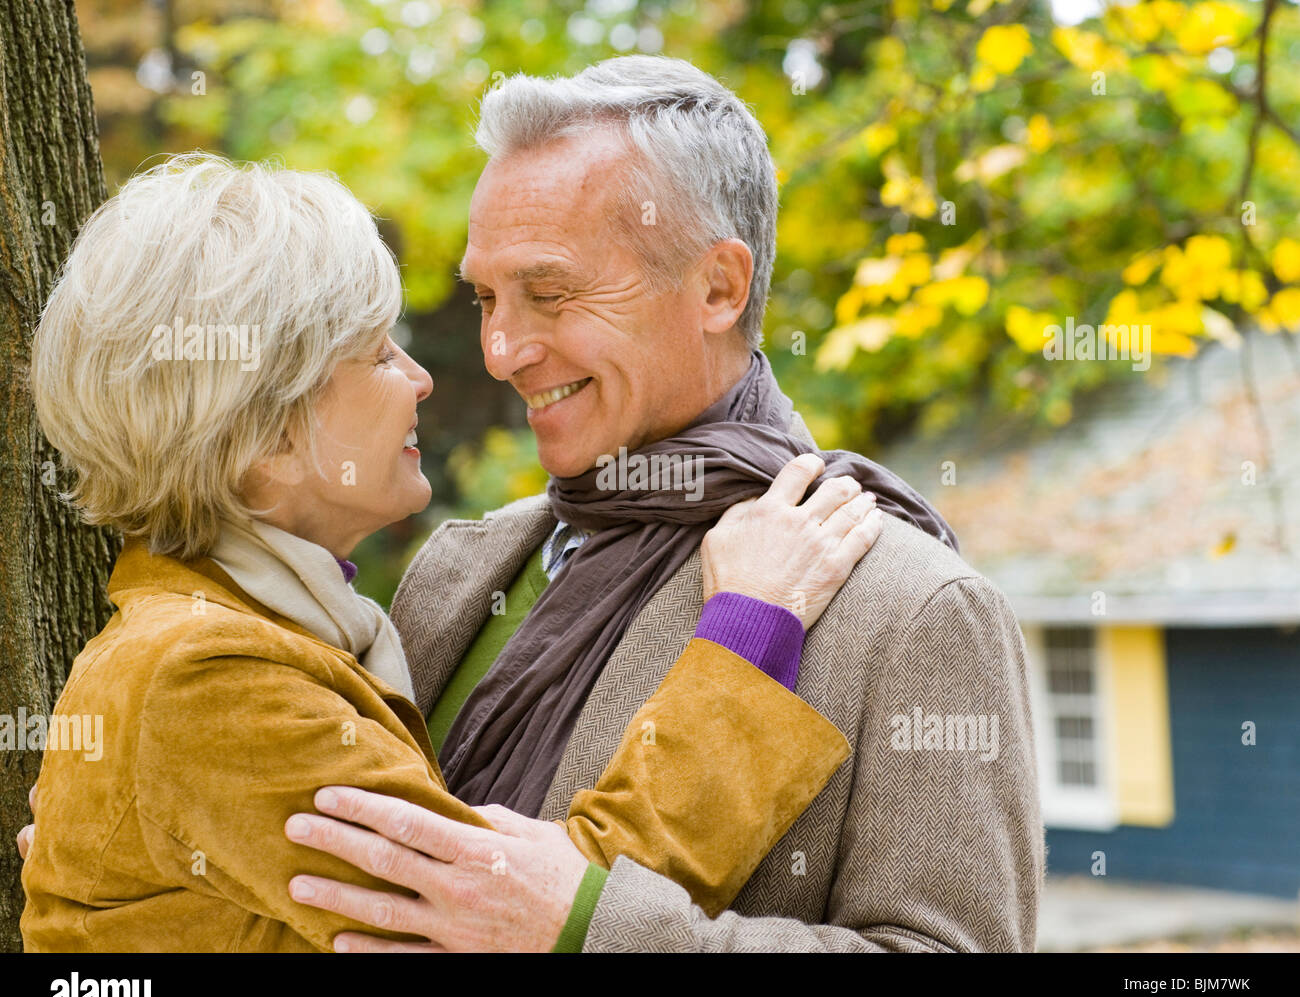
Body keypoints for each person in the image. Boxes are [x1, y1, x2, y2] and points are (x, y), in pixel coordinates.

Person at [17, 154, 885, 953]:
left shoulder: (254, 638)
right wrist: (747, 636)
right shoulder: (204, 679)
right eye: (377, 353)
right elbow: (526, 919)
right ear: (265, 432)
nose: (425, 376)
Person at [281, 55, 1045, 953]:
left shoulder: (913, 609)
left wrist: (588, 930)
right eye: (487, 298)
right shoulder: (458, 572)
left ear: (719, 287)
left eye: (549, 293)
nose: (499, 350)